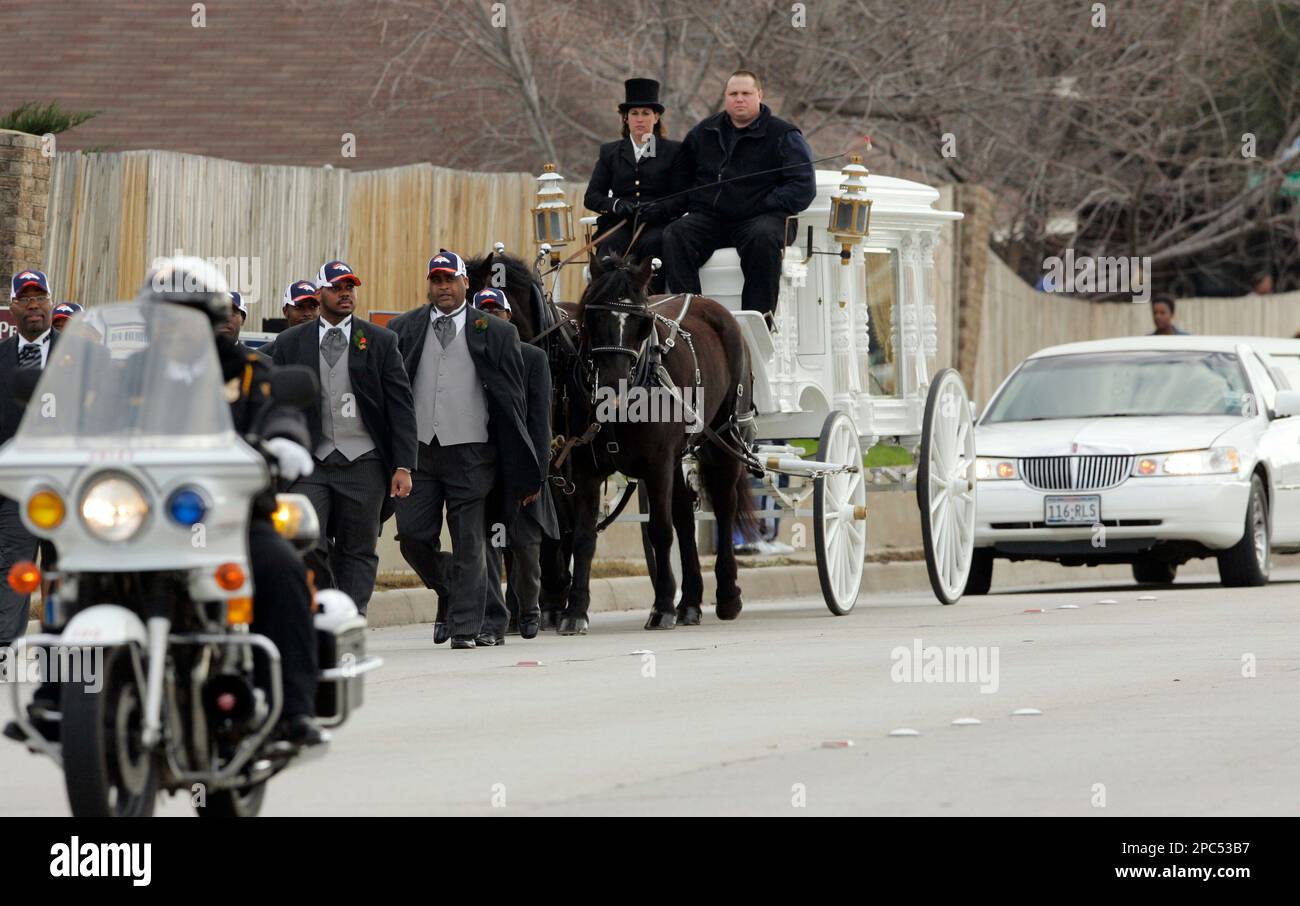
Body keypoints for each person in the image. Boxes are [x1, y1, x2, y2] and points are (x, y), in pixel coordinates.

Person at [5, 258, 328, 746]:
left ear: (214, 319)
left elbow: (279, 405)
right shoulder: (121, 375)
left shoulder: (247, 370)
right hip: (138, 521)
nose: (178, 325)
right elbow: (79, 415)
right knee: (72, 577)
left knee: (282, 570)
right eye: (166, 313)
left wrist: (284, 439)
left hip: (227, 521)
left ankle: (294, 709)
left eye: (191, 313)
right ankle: (54, 695)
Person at [389, 251, 540, 649]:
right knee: (412, 537)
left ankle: (464, 627)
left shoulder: (496, 331)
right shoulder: (403, 328)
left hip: (473, 452)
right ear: (429, 284)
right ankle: (456, 587)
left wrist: (520, 463)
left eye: (450, 280)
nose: (443, 287)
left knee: (471, 540)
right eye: (436, 280)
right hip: (420, 452)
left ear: (465, 284)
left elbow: (513, 404)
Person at [269, 260, 418, 616]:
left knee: (359, 545)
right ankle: (320, 608)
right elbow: (275, 398)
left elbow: (401, 406)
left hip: (363, 459)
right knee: (306, 539)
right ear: (320, 293)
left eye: (350, 287)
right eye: (337, 287)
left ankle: (351, 616)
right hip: (311, 461)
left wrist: (403, 465)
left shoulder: (381, 340)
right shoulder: (291, 342)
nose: (345, 293)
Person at [661, 70, 816, 322]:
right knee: (675, 233)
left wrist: (765, 203)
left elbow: (803, 187)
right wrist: (695, 202)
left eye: (746, 93)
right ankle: (692, 317)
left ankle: (757, 320)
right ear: (725, 98)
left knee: (763, 238)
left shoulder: (784, 135)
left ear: (760, 95)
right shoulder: (703, 132)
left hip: (762, 219)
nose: (739, 99)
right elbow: (681, 179)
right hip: (713, 218)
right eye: (733, 94)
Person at [473, 289, 557, 641]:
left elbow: (540, 422)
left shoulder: (532, 359)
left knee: (525, 545)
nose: (491, 317)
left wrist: (535, 476)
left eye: (497, 311)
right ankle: (494, 618)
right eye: (483, 312)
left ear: (509, 317)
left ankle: (530, 605)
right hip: (480, 465)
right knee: (489, 544)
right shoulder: (466, 357)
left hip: (520, 466)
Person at [0, 270, 57, 651]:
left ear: (51, 303)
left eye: (40, 297)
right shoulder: (1, 357)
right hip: (14, 486)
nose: (33, 305)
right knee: (12, 565)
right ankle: (4, 647)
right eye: (25, 298)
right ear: (14, 308)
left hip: (69, 487)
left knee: (65, 573)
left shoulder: (81, 355)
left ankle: (66, 646)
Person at [584, 78, 683, 286]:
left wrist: (660, 209)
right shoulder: (610, 152)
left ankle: (653, 303)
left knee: (653, 244)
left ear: (656, 117)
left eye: (646, 113)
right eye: (634, 113)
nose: (640, 119)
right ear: (625, 118)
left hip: (657, 224)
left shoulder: (673, 151)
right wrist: (617, 205)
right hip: (620, 222)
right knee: (610, 246)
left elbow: (683, 196)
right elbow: (592, 197)